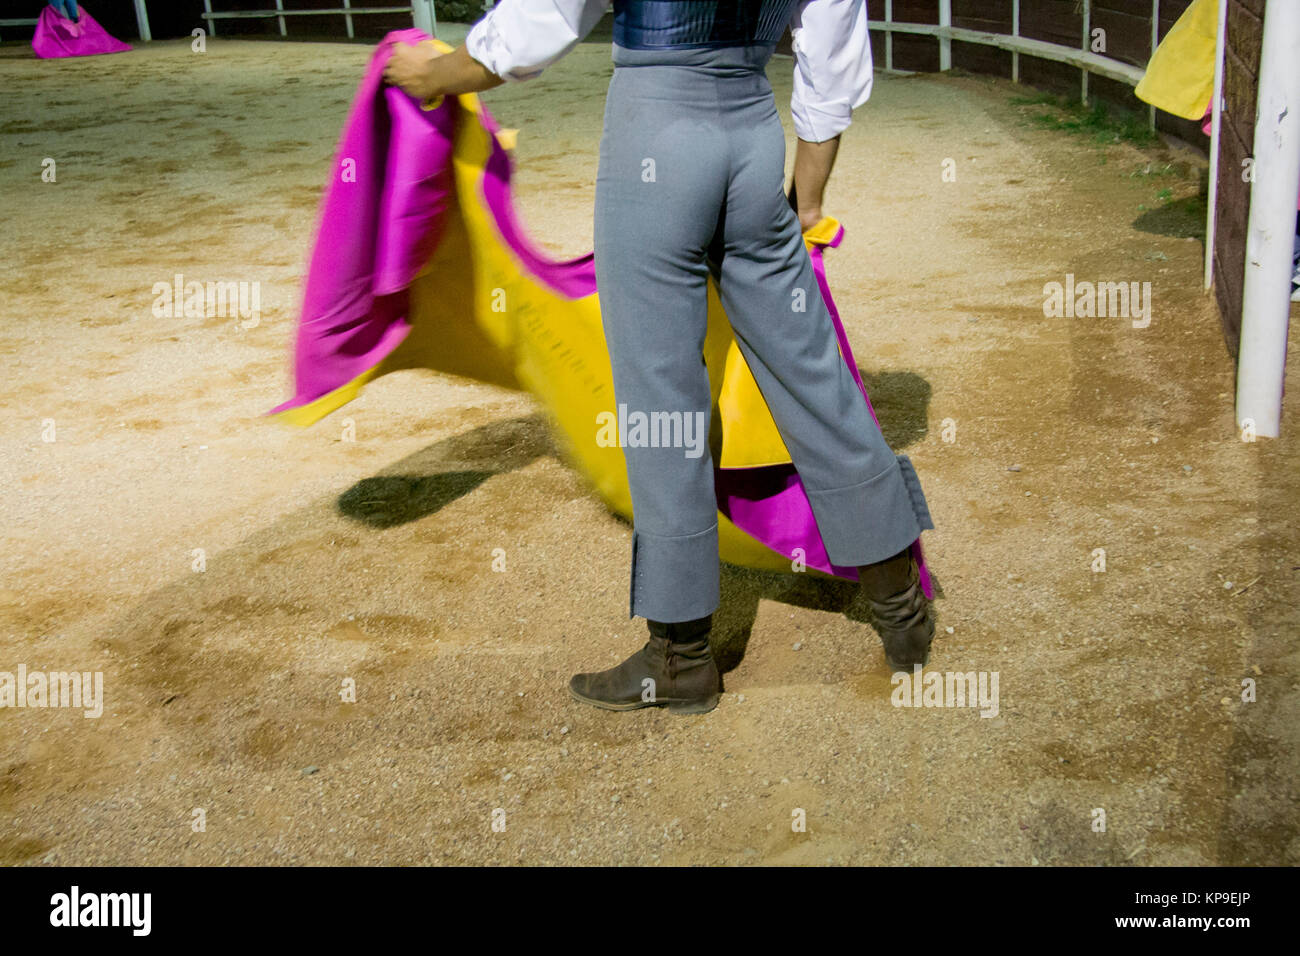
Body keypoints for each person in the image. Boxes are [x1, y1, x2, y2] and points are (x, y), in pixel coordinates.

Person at [384, 0, 936, 714]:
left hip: (655, 137)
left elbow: (539, 23)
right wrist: (806, 197)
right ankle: (902, 613)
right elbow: (831, 54)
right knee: (813, 373)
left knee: (661, 399)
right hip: (752, 137)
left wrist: (437, 76)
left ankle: (681, 657)